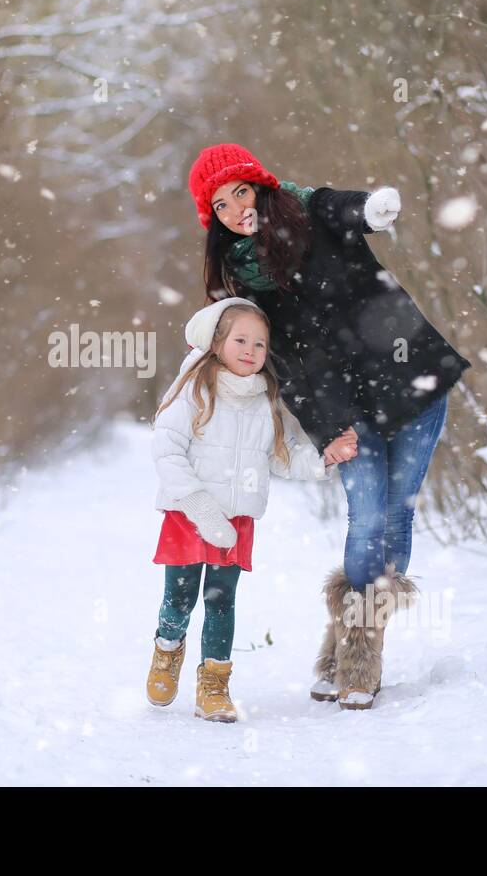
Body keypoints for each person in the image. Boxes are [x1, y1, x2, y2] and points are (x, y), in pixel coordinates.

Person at [186, 142, 473, 709]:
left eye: (240, 191)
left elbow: (343, 207)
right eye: (219, 204)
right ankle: (358, 658)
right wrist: (324, 431)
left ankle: (348, 648)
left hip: (413, 381)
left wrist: (372, 209)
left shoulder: (311, 213)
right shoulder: (247, 289)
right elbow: (285, 367)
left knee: (397, 519)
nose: (234, 208)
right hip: (348, 413)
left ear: (261, 187)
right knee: (367, 519)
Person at [146, 296, 354, 722]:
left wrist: (324, 459)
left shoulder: (266, 399)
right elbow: (167, 452)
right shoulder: (194, 390)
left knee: (221, 602)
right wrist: (200, 507)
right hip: (189, 515)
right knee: (181, 598)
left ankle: (214, 686)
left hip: (236, 519)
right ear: (216, 343)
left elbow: (281, 456)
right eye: (241, 339)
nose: (251, 350)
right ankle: (167, 650)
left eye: (260, 344)